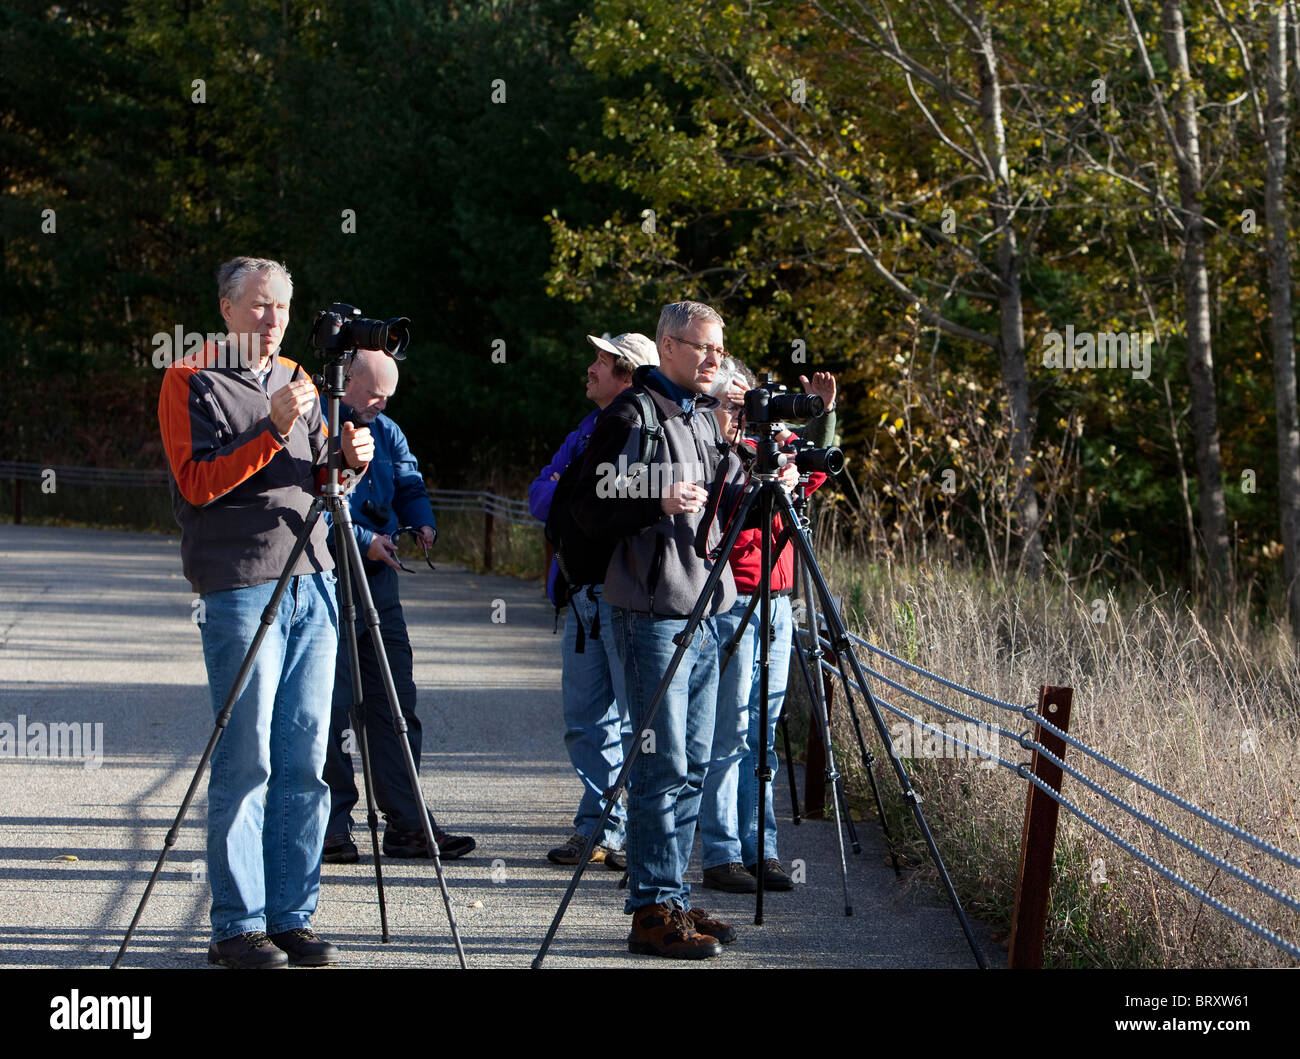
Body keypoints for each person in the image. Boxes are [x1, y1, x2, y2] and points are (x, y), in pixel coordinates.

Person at [157, 256, 373, 968]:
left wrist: (349, 462)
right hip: (241, 583)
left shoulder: (302, 379)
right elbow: (195, 484)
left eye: (280, 305)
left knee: (305, 758)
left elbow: (317, 479)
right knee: (246, 756)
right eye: (257, 305)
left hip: (314, 576)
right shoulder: (189, 377)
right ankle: (237, 925)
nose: (272, 319)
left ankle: (292, 913)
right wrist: (272, 432)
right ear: (224, 309)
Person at [572, 300, 789, 959]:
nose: (714, 360)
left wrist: (767, 485)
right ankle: (650, 910)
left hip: (707, 608)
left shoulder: (701, 418)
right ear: (668, 347)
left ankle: (667, 892)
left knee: (692, 765)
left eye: (719, 349)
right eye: (703, 348)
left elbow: (725, 518)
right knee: (661, 764)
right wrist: (652, 497)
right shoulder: (630, 415)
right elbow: (584, 507)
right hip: (648, 614)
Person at [321, 349, 476, 863]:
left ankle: (408, 822)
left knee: (395, 702)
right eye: (372, 393)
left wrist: (422, 518)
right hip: (328, 581)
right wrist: (364, 538)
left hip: (380, 586)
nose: (381, 403)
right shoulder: (316, 421)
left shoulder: (387, 430)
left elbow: (409, 481)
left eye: (388, 395)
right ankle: (330, 825)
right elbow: (314, 502)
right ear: (345, 383)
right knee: (333, 709)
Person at [699, 361, 836, 894]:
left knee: (763, 734)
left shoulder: (771, 448)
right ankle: (722, 854)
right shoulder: (711, 451)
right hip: (732, 598)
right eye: (733, 405)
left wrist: (819, 420)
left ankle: (763, 849)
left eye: (746, 403)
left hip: (778, 603)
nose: (744, 415)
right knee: (730, 732)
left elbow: (817, 469)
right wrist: (753, 472)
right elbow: (718, 523)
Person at [528, 332, 659, 870]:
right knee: (585, 722)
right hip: (580, 596)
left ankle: (635, 838)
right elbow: (541, 496)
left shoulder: (644, 430)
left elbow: (582, 502)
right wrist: (568, 492)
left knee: (638, 725)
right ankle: (598, 828)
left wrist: (569, 492)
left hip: (625, 595)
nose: (590, 368)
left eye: (601, 362)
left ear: (627, 375)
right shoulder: (585, 431)